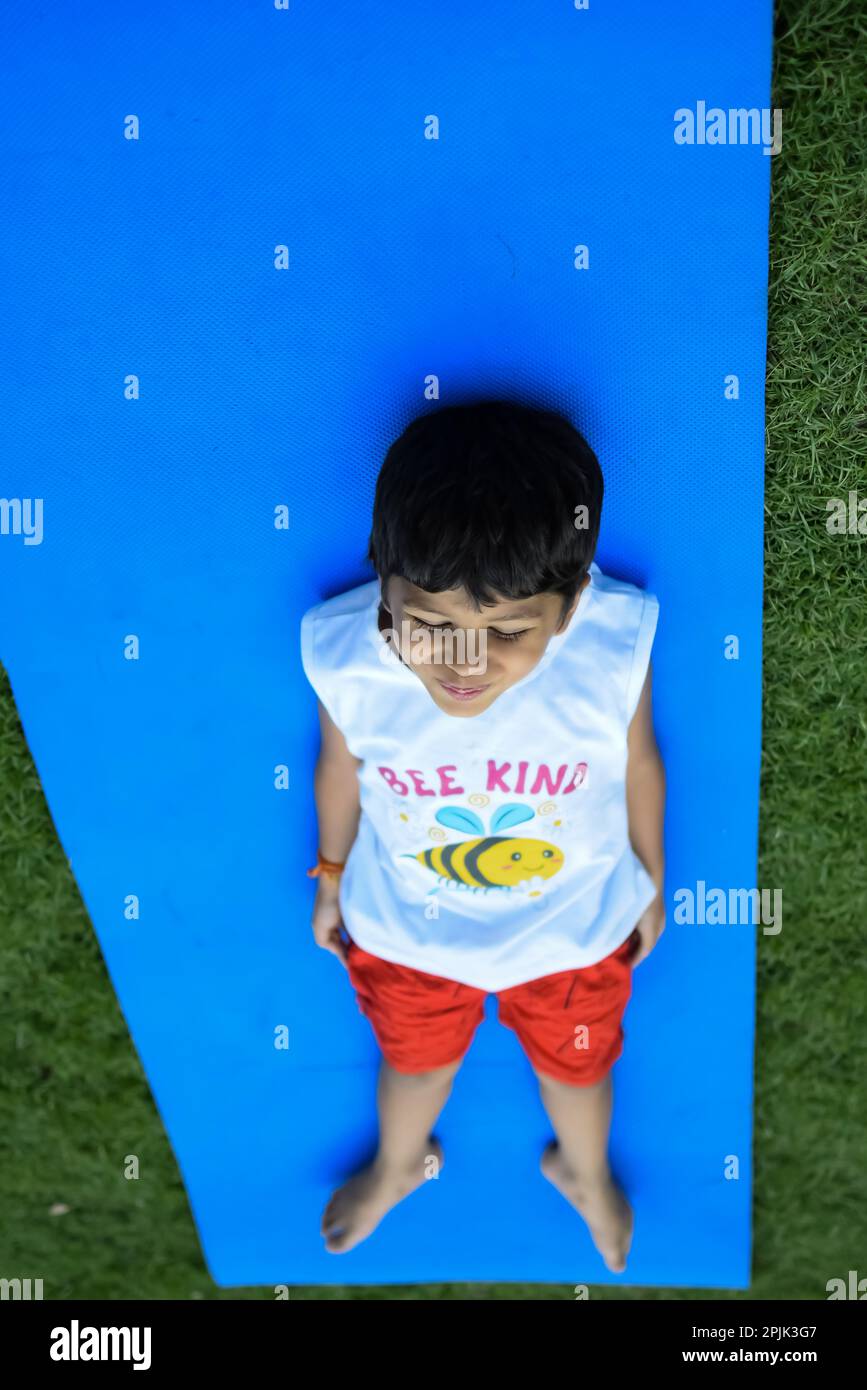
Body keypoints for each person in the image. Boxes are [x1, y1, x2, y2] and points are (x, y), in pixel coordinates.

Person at [300, 399, 665, 1272]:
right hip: (405, 934)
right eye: (428, 627)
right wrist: (330, 873)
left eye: (507, 633)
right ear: (383, 583)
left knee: (576, 1073)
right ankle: (398, 1163)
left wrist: (649, 878)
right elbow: (339, 767)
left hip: (574, 931)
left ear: (571, 605)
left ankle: (582, 1170)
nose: (465, 664)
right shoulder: (343, 653)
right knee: (413, 1065)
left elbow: (640, 760)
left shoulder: (613, 642)